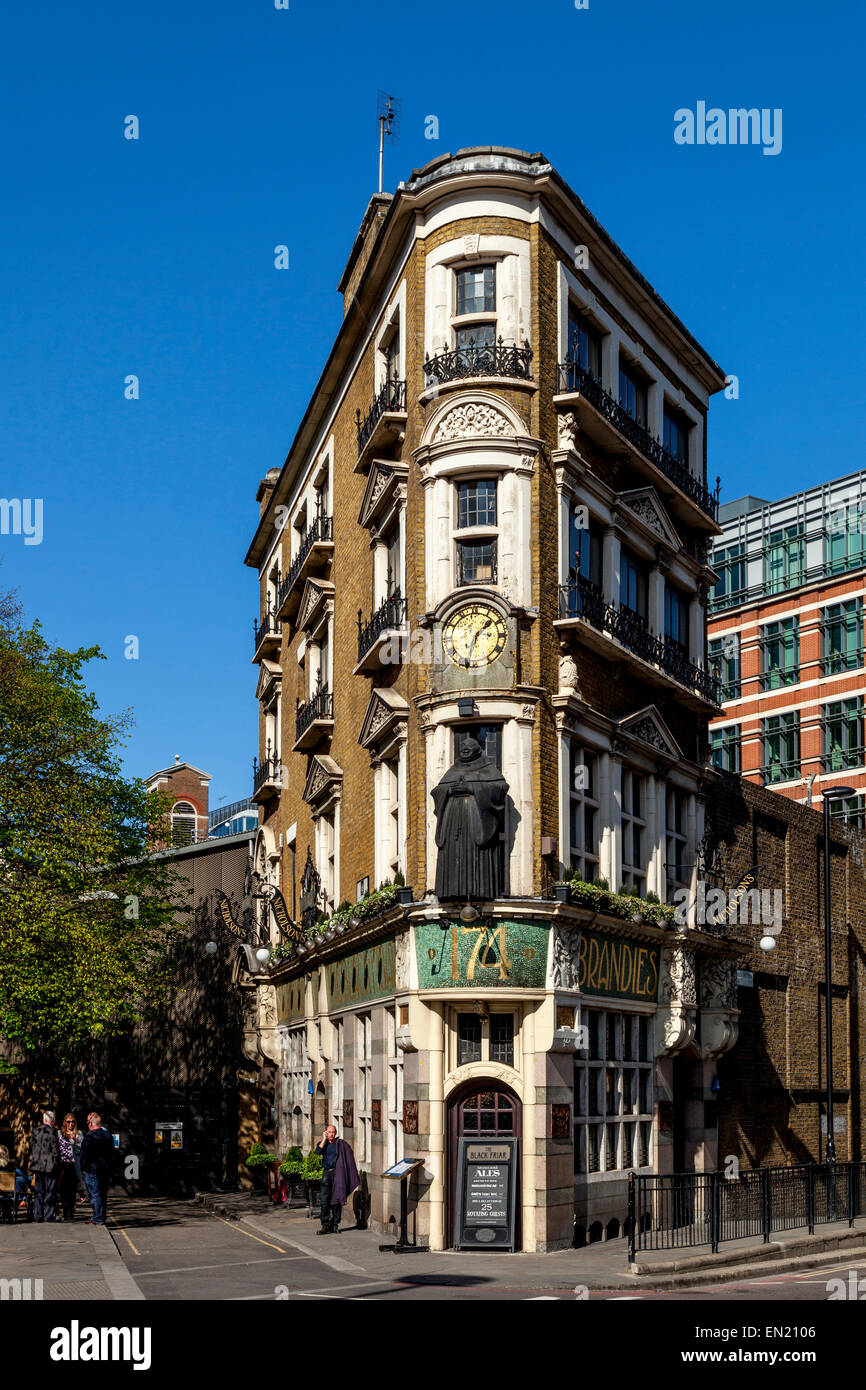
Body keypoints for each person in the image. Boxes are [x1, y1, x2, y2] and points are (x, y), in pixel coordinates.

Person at [314, 1123, 359, 1235]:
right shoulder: (322, 1144)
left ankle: (335, 1225)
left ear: (335, 1133)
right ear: (326, 1132)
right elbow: (317, 1152)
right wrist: (324, 1139)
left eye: (333, 1132)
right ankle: (325, 1225)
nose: (331, 1134)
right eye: (329, 1132)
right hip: (326, 1174)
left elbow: (349, 1154)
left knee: (337, 1200)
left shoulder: (340, 1144)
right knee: (325, 1201)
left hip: (338, 1174)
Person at [79, 1112, 114, 1225]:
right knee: (102, 1194)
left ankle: (98, 1218)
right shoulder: (108, 1135)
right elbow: (111, 1153)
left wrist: (83, 1167)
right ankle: (101, 1216)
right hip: (104, 1169)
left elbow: (84, 1154)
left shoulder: (91, 1136)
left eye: (88, 1122)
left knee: (94, 1194)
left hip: (92, 1169)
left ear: (91, 1124)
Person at [29, 1111, 61, 1222]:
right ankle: (48, 1216)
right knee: (50, 1192)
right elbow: (56, 1151)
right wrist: (57, 1164)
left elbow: (32, 1147)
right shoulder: (53, 1132)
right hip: (50, 1167)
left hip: (37, 1166)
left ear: (43, 1120)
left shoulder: (36, 1131)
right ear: (52, 1121)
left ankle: (38, 1216)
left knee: (38, 1192)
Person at [58, 1114, 82, 1222]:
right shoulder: (59, 1133)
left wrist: (74, 1141)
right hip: (62, 1165)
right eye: (68, 1122)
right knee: (63, 1190)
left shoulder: (79, 1133)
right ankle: (65, 1212)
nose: (70, 1124)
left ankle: (71, 1212)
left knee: (72, 1191)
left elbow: (80, 1150)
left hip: (73, 1165)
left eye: (72, 1122)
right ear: (65, 1123)